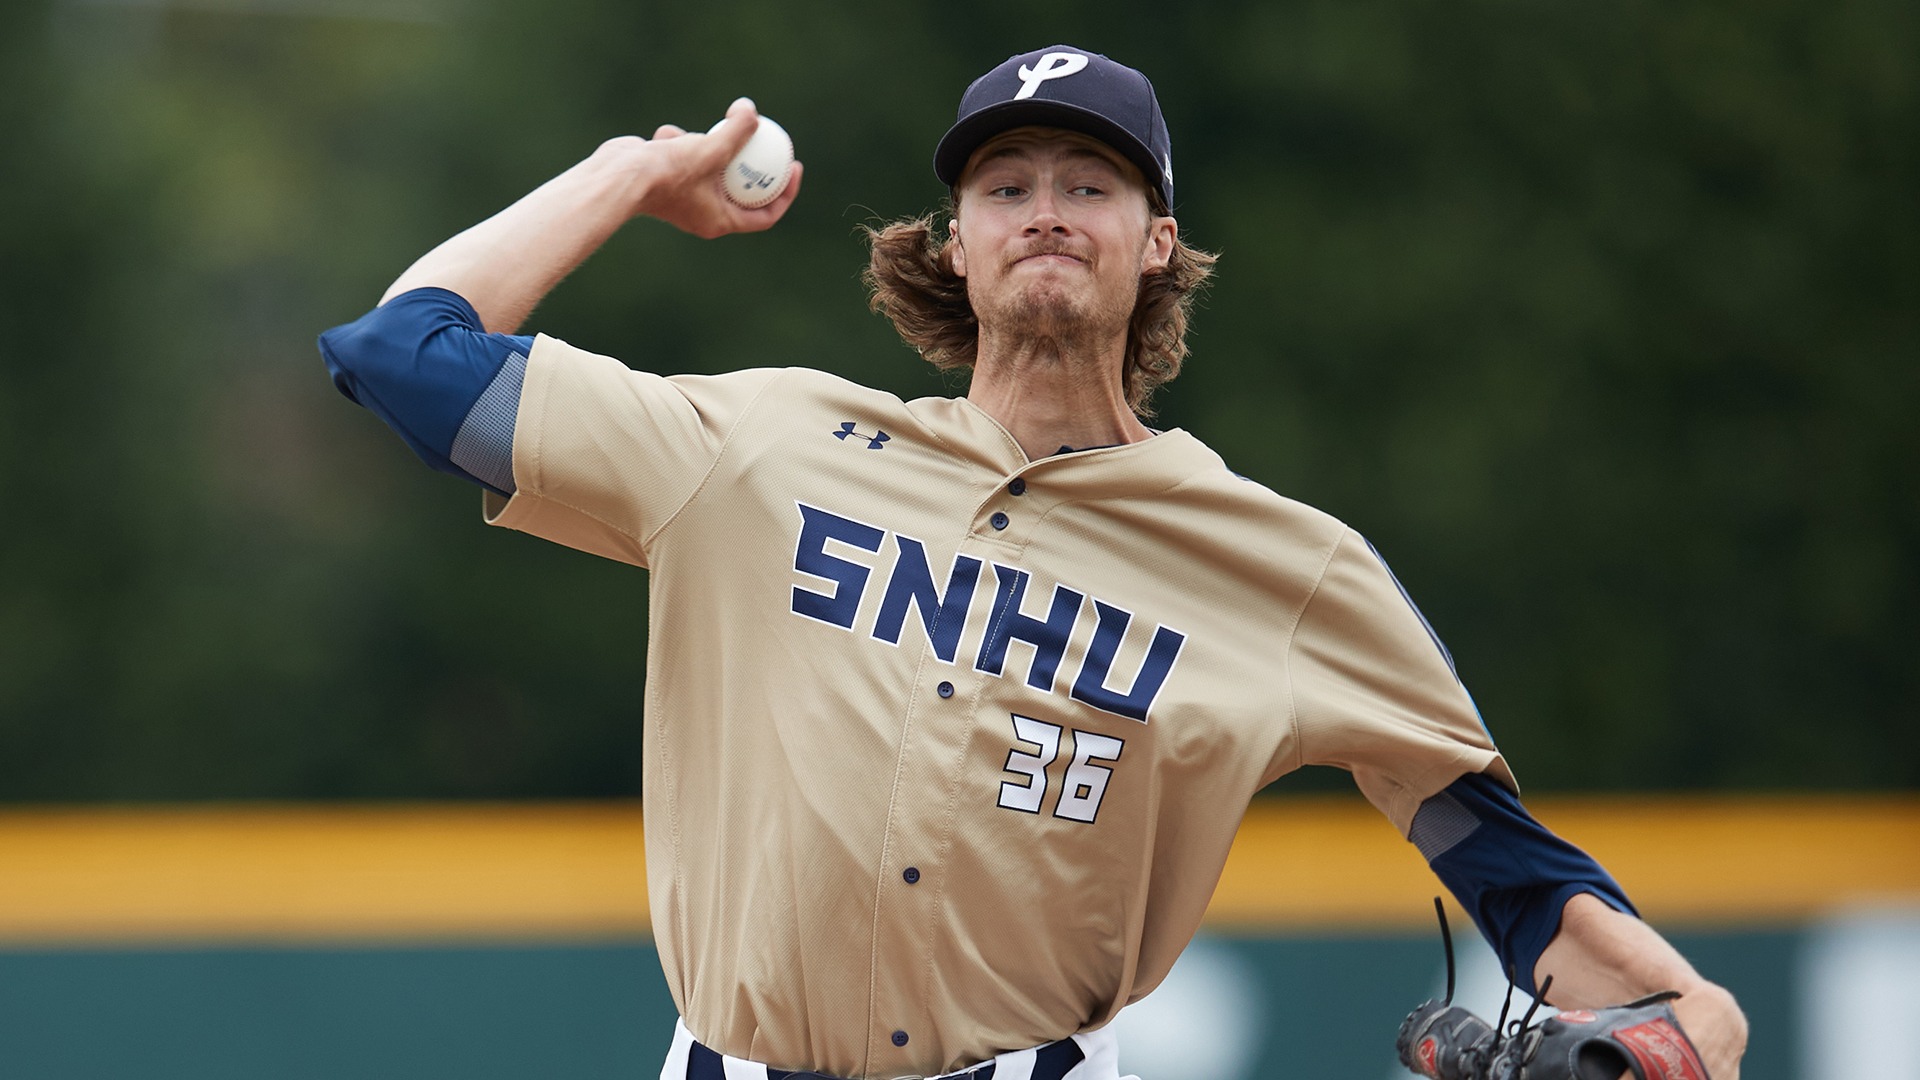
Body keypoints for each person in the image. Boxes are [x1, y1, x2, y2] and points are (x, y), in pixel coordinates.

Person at [318, 46, 1747, 1080]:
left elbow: (1495, 860)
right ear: (957, 243)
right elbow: (401, 354)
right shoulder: (758, 447)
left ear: (1158, 242)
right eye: (1005, 185)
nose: (1046, 209)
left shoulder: (1285, 567)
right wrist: (628, 174)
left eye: (1090, 182)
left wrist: (1686, 1010)